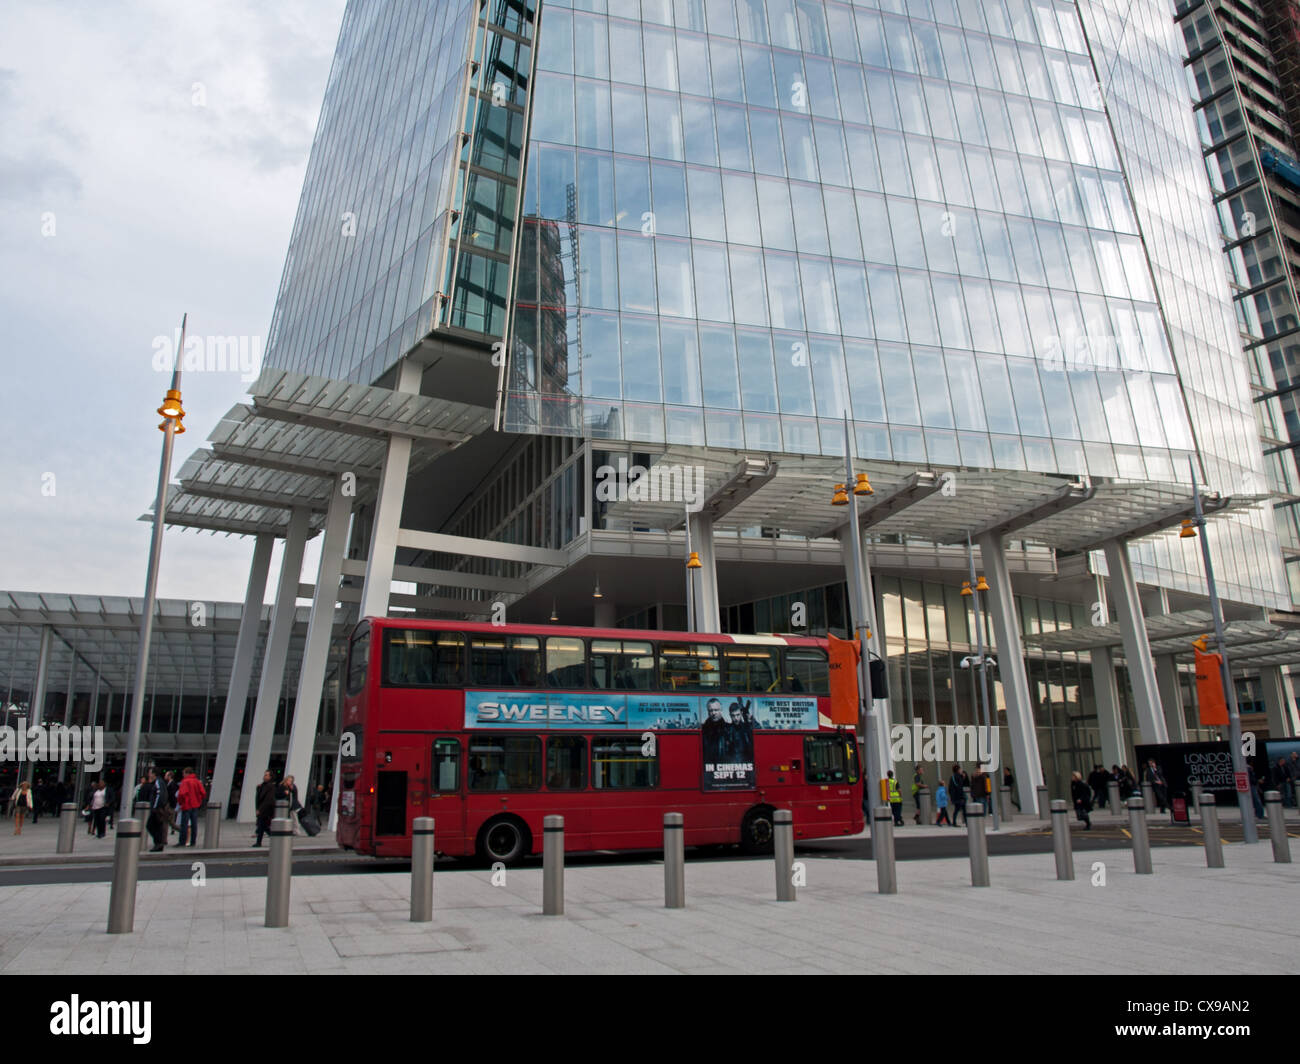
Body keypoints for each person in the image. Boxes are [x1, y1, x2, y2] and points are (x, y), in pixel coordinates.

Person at [140, 767, 169, 852]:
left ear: (154, 774)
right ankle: (159, 844)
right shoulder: (158, 782)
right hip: (158, 807)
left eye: (150, 773)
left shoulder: (158, 782)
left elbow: (159, 794)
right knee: (157, 826)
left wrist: (155, 807)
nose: (149, 774)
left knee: (151, 825)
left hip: (157, 808)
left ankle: (158, 843)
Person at [176, 767, 206, 847]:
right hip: (195, 805)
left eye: (184, 773)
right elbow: (203, 793)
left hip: (187, 805)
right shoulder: (197, 781)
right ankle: (193, 841)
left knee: (184, 824)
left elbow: (181, 794)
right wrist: (198, 800)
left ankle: (182, 841)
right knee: (194, 824)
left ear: (187, 773)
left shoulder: (185, 782)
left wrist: (181, 802)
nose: (183, 775)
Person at [253, 771, 277, 847]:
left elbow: (268, 800)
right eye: (264, 775)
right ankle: (260, 842)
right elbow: (259, 797)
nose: (264, 776)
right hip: (262, 809)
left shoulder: (271, 787)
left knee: (262, 826)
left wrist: (260, 809)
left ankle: (259, 842)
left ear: (270, 777)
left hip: (266, 810)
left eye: (266, 775)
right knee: (263, 826)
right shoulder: (262, 786)